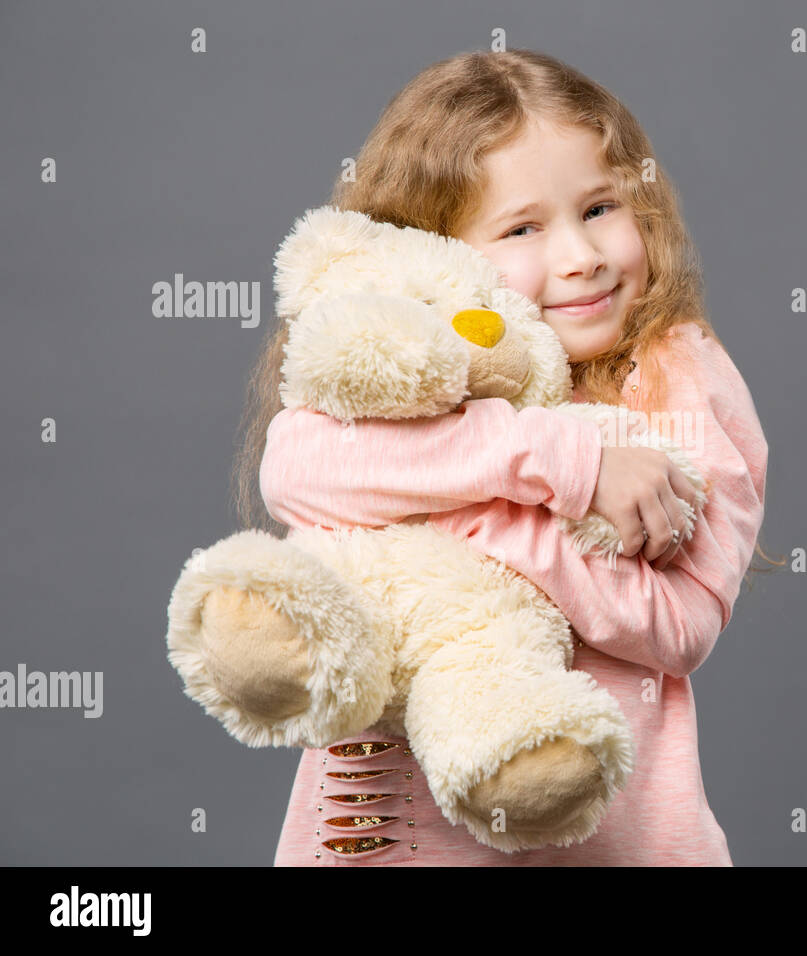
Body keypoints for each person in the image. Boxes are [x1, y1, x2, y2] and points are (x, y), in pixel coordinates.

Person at [233, 49, 779, 866]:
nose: (580, 256)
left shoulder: (673, 371)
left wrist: (468, 523)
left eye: (600, 208)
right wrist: (569, 463)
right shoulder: (415, 367)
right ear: (434, 253)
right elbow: (297, 468)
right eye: (523, 228)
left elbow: (680, 621)